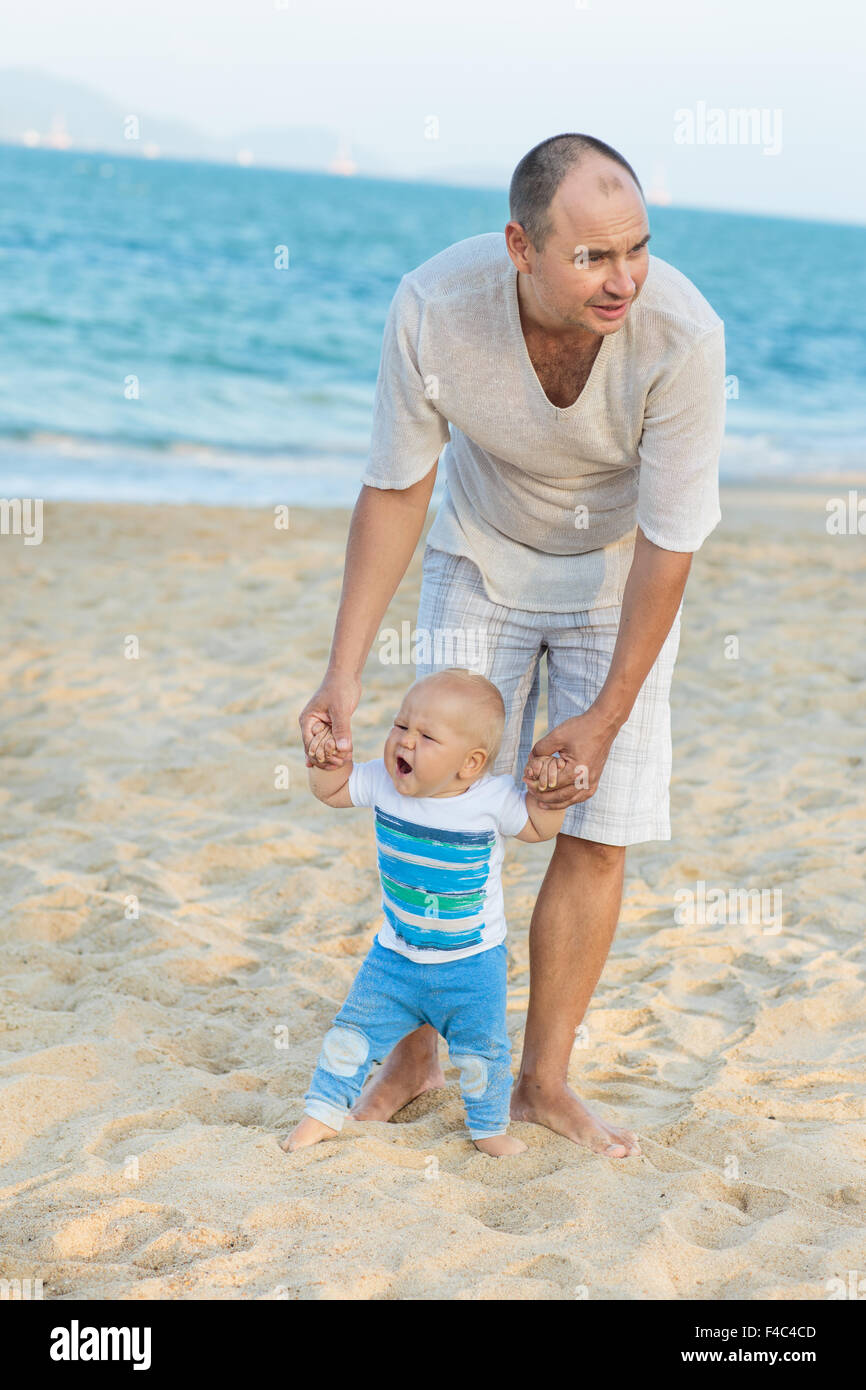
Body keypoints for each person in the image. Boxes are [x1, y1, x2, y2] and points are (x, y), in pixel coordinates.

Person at [299, 132, 725, 1158]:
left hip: (618, 577)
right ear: (519, 249)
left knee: (594, 827)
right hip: (481, 555)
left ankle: (539, 1079)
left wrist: (603, 715)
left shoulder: (681, 335)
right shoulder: (434, 307)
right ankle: (411, 1053)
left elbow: (671, 545)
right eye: (590, 257)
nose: (623, 278)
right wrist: (342, 671)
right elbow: (398, 485)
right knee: (430, 794)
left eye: (637, 249)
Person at [282, 669, 566, 1156]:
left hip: (473, 965)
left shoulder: (492, 799)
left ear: (470, 763)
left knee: (483, 1053)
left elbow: (539, 827)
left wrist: (549, 794)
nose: (405, 742)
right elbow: (331, 792)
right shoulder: (380, 781)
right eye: (400, 726)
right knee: (350, 1036)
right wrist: (323, 759)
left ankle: (489, 1128)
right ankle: (323, 1113)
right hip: (393, 960)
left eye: (426, 736)